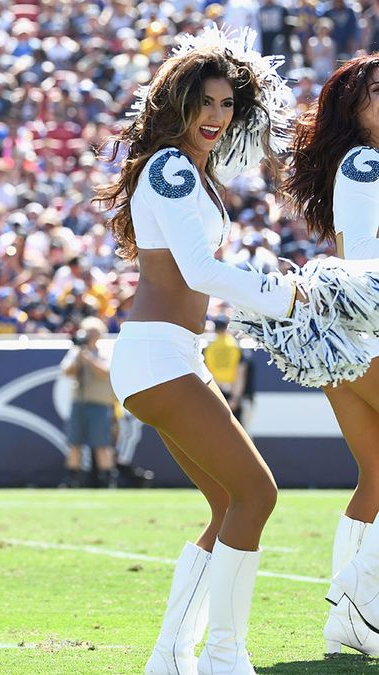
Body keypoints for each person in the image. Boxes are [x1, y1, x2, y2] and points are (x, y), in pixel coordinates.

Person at [92, 28, 302, 674]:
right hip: (157, 356)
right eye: (203, 103)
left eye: (225, 105)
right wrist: (287, 295)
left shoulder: (192, 173)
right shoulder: (170, 168)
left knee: (229, 501)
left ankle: (172, 656)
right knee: (258, 494)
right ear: (178, 105)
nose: (216, 116)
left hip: (173, 356)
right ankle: (224, 655)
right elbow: (200, 270)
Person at [283, 53, 379, 656]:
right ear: (354, 107)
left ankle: (347, 621)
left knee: (375, 475)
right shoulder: (368, 164)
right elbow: (368, 259)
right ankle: (359, 603)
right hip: (366, 329)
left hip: (347, 333)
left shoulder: (361, 164)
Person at [60, 317, 117, 489]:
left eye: (94, 332)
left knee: (101, 443)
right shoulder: (76, 351)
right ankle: (72, 479)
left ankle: (106, 479)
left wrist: (88, 358)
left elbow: (104, 372)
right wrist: (79, 356)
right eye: (88, 332)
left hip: (99, 403)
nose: (90, 336)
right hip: (79, 402)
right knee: (74, 442)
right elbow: (67, 371)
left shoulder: (106, 351)